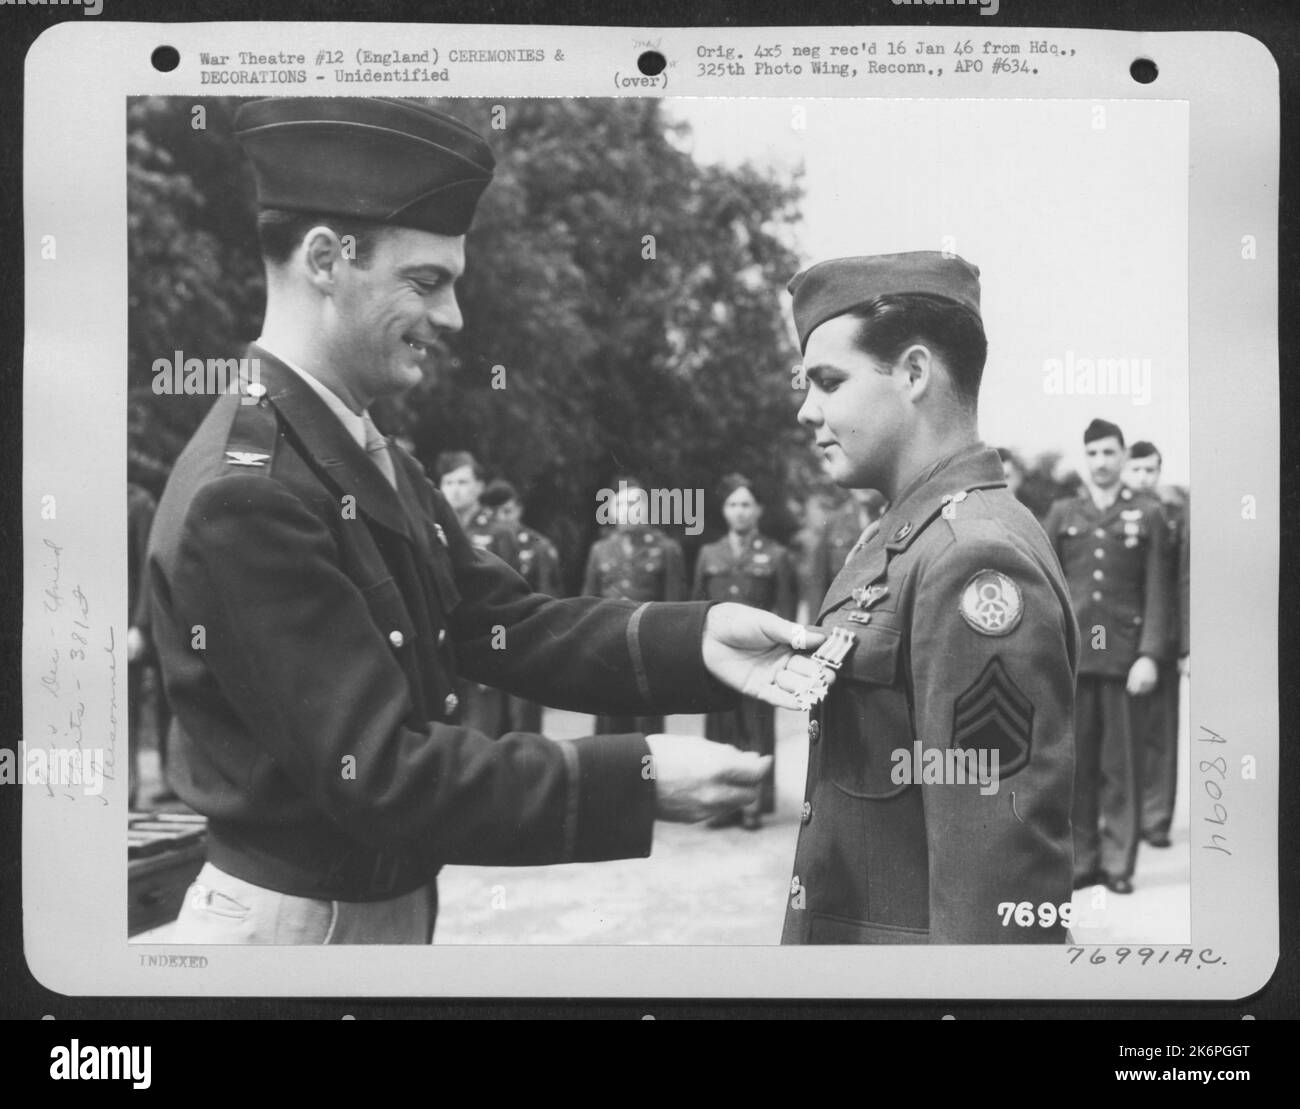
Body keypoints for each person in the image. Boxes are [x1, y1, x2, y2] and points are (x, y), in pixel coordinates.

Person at [147, 97, 832, 945]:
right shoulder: (246, 494)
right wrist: (641, 774)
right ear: (326, 259)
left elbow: (503, 621)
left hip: (363, 917)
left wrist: (699, 640)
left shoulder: (356, 450)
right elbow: (384, 770)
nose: (453, 319)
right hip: (298, 933)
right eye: (426, 282)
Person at [782, 251, 1078, 944]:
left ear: (915, 374)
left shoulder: (971, 557)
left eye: (828, 381)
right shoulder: (898, 537)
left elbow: (996, 890)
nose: (805, 410)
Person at [1043, 420, 1171, 894]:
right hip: (1076, 655)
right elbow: (1046, 585)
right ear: (1085, 458)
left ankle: (1117, 863)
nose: (1101, 462)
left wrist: (1151, 654)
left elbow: (1159, 589)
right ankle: (1083, 861)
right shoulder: (1062, 512)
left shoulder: (1148, 513)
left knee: (1121, 767)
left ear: (1122, 456)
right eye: (1093, 453)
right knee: (1076, 766)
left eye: (1109, 453)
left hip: (1123, 659)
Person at [692, 474, 797, 829]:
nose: (740, 512)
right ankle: (722, 805)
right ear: (724, 511)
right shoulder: (709, 554)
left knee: (756, 730)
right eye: (733, 505)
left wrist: (780, 656)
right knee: (721, 730)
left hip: (759, 657)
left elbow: (784, 609)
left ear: (758, 510)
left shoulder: (776, 555)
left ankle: (752, 803)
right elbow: (695, 607)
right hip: (717, 657)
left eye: (746, 505)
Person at [582, 477, 688, 737]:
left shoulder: (666, 549)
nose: (629, 510)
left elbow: (675, 609)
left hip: (648, 655)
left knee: (646, 733)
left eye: (635, 503)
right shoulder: (600, 550)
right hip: (608, 653)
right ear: (611, 510)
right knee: (608, 730)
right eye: (622, 504)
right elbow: (587, 604)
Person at [1121, 440, 1186, 849]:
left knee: (1161, 732)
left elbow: (1179, 579)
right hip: (1122, 637)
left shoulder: (1174, 516)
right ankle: (1125, 816)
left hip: (1163, 636)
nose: (1144, 477)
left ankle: (1156, 819)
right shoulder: (1116, 513)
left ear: (1160, 472)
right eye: (1138, 469)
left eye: (1151, 470)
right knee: (1124, 733)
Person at [435, 451, 517, 738]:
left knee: (483, 741)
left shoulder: (499, 532)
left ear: (479, 487)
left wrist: (498, 658)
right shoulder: (432, 528)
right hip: (445, 653)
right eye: (448, 482)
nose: (455, 490)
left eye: (462, 482)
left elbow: (508, 599)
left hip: (486, 650)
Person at [480, 478, 562, 733]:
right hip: (494, 643)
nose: (500, 519)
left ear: (518, 509)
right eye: (493, 513)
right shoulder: (485, 546)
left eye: (506, 512)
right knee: (492, 726)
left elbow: (548, 596)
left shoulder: (538, 546)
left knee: (523, 725)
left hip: (526, 642)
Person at [803, 487, 888, 614]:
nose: (864, 487)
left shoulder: (894, 520)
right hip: (839, 618)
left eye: (868, 480)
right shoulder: (834, 522)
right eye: (860, 480)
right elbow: (818, 582)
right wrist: (815, 625)